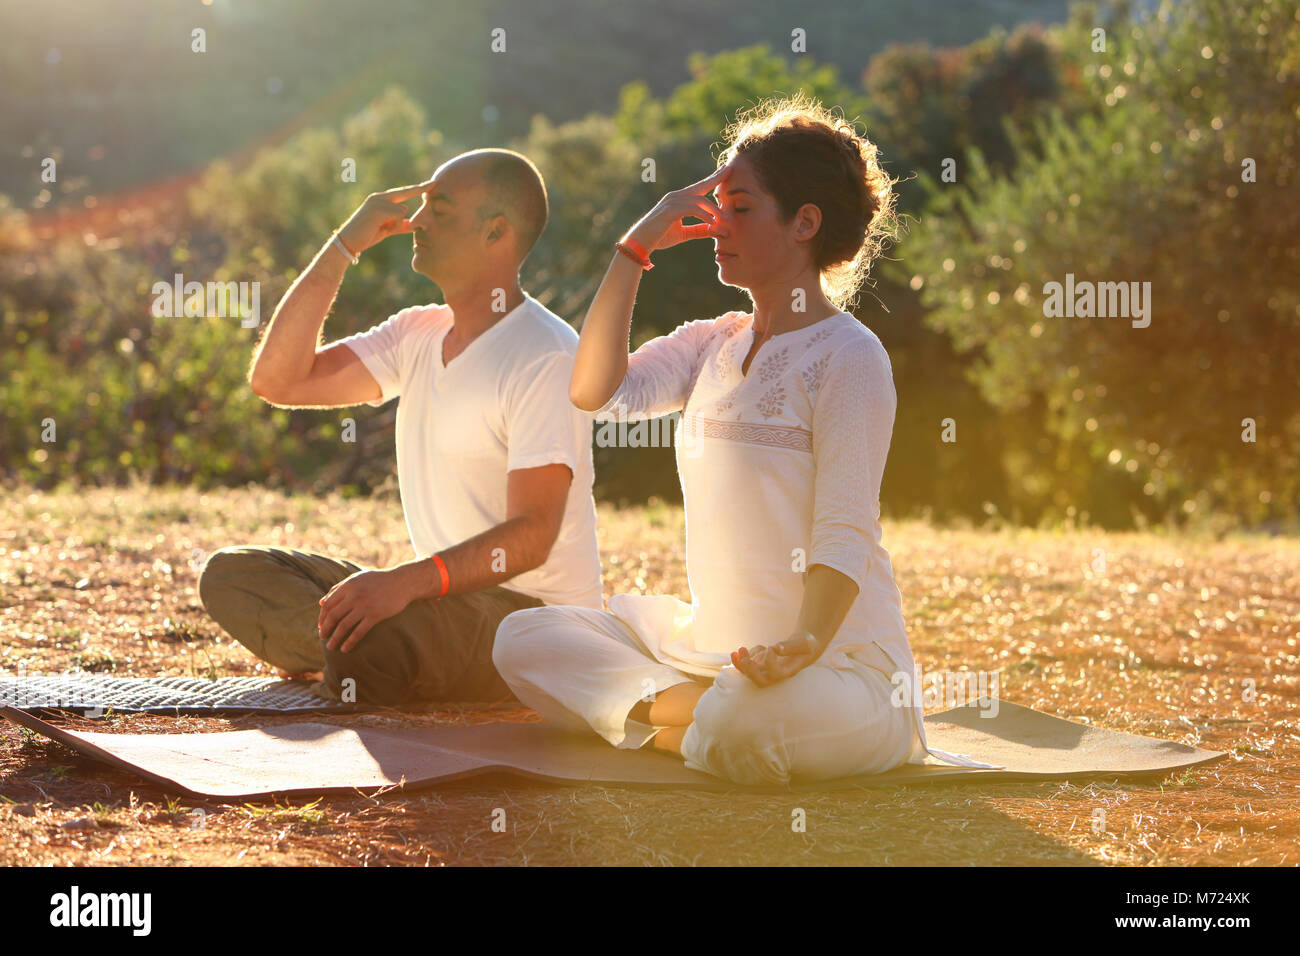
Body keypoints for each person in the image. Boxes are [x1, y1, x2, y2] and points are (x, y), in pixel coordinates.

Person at [492, 95, 997, 785]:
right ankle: (694, 717)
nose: (716, 225)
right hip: (715, 656)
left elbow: (846, 529)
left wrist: (804, 643)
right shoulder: (712, 342)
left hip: (839, 671)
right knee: (524, 636)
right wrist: (634, 248)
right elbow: (595, 392)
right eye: (716, 206)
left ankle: (672, 721)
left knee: (743, 723)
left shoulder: (850, 358)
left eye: (741, 207)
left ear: (804, 224)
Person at [198, 148, 603, 708]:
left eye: (440, 209)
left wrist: (404, 583)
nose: (418, 221)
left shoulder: (545, 355)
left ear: (495, 233)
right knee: (233, 575)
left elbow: (532, 537)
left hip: (534, 623)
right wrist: (344, 246)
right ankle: (358, 653)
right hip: (442, 603)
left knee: (381, 632)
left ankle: (365, 654)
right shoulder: (416, 333)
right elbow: (279, 380)